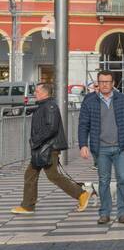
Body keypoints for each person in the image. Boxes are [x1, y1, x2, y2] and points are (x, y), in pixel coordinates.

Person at [13, 82, 90, 216]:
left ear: (44, 93)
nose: (34, 93)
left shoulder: (50, 106)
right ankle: (28, 205)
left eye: (37, 91)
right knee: (32, 175)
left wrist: (36, 140)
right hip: (43, 147)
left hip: (47, 148)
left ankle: (82, 194)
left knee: (52, 176)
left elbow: (51, 128)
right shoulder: (45, 105)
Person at [77, 71, 124, 225]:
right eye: (101, 81)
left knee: (122, 179)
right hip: (100, 148)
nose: (104, 84)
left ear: (113, 83)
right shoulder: (89, 101)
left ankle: (123, 212)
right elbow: (83, 125)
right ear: (98, 83)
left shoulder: (122, 100)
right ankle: (105, 213)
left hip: (121, 147)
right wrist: (83, 145)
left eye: (107, 81)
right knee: (104, 181)